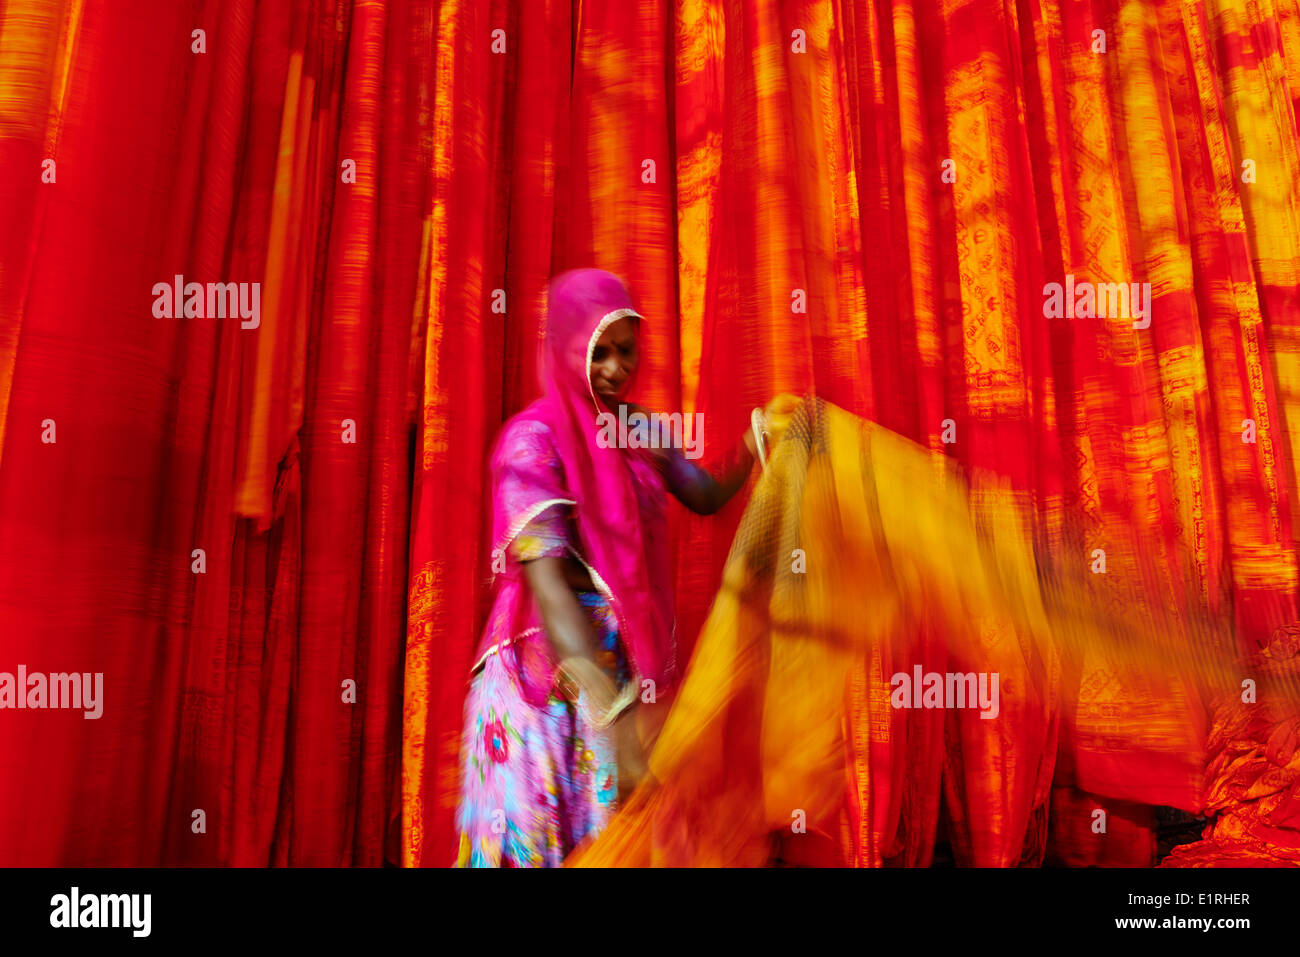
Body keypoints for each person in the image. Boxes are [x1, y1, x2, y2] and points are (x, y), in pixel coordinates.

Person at [455, 267, 786, 867]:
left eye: (626, 351)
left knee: (613, 846)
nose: (615, 369)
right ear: (565, 350)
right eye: (598, 352)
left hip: (617, 669)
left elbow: (703, 492)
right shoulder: (530, 441)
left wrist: (758, 439)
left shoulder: (637, 429)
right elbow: (549, 586)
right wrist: (617, 714)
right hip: (546, 687)